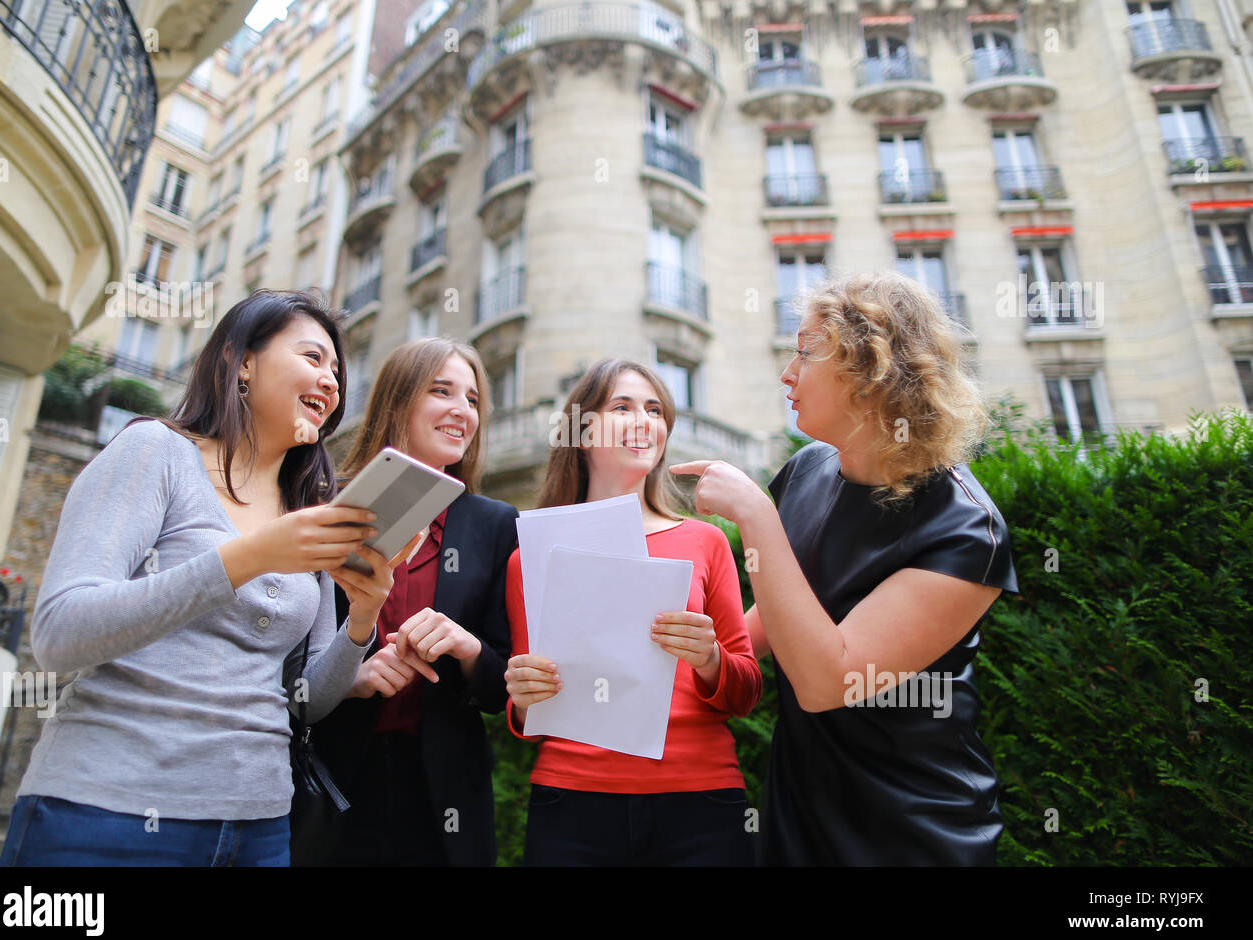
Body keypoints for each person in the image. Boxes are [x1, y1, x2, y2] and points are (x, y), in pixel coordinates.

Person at [0, 290, 418, 867]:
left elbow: (306, 700)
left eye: (338, 371)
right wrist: (249, 556)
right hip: (103, 814)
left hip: (258, 825)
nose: (331, 381)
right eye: (313, 358)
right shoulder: (155, 452)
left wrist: (363, 619)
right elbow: (58, 634)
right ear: (240, 360)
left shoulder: (305, 511)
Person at [671, 272, 1021, 865]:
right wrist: (695, 646)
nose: (787, 373)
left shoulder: (966, 529)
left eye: (805, 353)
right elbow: (766, 623)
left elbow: (827, 681)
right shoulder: (807, 470)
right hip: (798, 812)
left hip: (912, 829)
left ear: (870, 372)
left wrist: (756, 513)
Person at [504, 358, 762, 866]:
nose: (645, 420)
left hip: (700, 798)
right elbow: (528, 710)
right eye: (621, 407)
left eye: (655, 409)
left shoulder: (705, 542)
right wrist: (521, 696)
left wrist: (710, 659)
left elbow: (746, 690)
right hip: (572, 799)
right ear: (580, 431)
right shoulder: (529, 556)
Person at [315, 338, 518, 866]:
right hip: (333, 780)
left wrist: (469, 648)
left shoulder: (494, 524)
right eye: (442, 391)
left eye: (473, 399)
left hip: (443, 797)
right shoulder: (324, 505)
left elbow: (505, 686)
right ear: (397, 401)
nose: (462, 411)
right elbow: (282, 658)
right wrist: (350, 682)